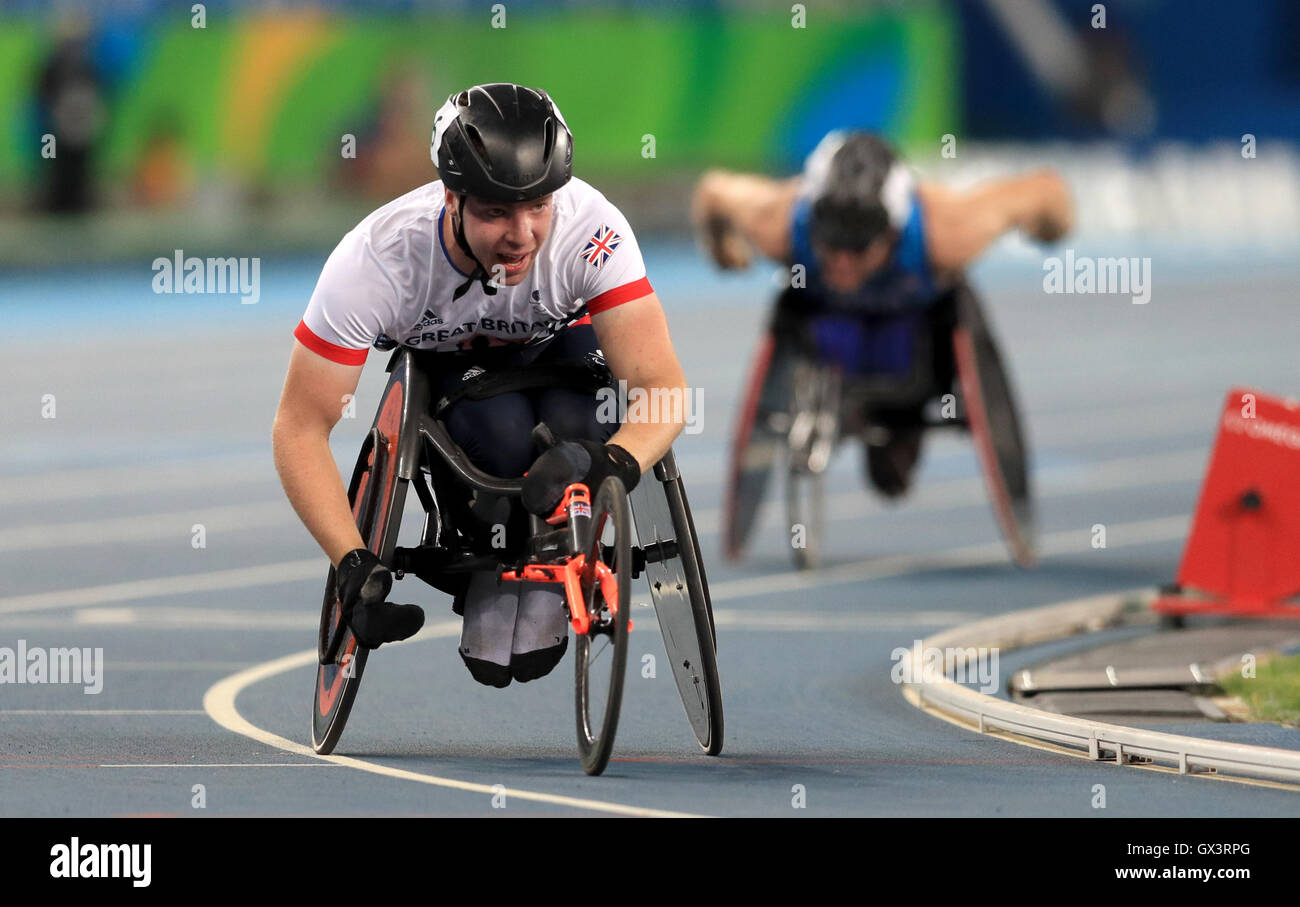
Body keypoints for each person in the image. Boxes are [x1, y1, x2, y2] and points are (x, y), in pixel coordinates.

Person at [273, 83, 689, 687]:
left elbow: (660, 385)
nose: (522, 234)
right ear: (451, 198)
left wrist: (614, 465)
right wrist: (351, 560)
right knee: (500, 436)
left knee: (578, 429)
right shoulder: (378, 261)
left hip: (561, 353)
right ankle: (489, 563)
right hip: (455, 379)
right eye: (496, 211)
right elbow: (301, 425)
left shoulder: (592, 228)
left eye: (538, 206)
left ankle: (558, 553)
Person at [692, 131, 1072, 495]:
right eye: (830, 246)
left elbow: (1046, 190)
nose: (841, 264)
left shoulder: (947, 229)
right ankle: (853, 407)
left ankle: (896, 430)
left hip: (913, 344)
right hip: (827, 335)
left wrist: (1052, 231)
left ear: (891, 234)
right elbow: (713, 192)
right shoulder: (780, 222)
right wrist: (722, 250)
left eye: (857, 250)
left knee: (891, 476)